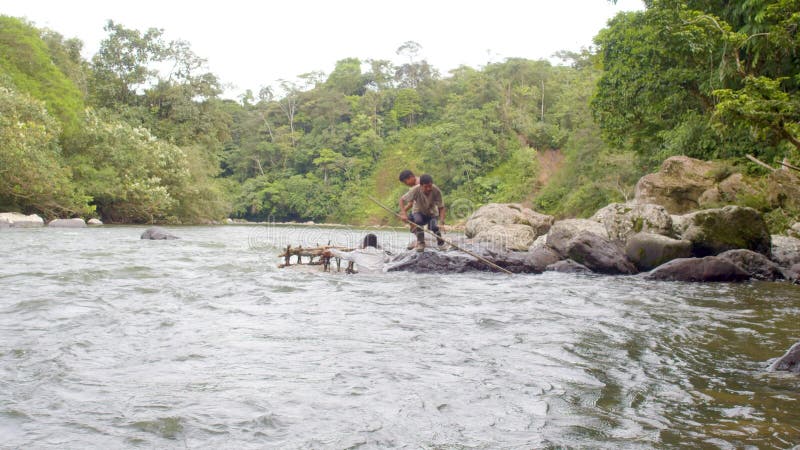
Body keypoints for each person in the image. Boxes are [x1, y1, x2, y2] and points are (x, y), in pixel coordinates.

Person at [399, 174, 446, 252]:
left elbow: (441, 207)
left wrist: (441, 221)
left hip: (431, 213)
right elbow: (402, 200)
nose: (429, 188)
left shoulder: (436, 190)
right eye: (426, 187)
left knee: (434, 227)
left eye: (430, 186)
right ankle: (421, 242)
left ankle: (440, 242)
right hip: (418, 211)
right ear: (421, 186)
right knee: (418, 221)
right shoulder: (415, 189)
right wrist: (403, 214)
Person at [322, 233, 390, 274]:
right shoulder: (382, 253)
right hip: (379, 278)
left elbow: (341, 254)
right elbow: (387, 260)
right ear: (376, 244)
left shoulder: (357, 253)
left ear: (364, 244)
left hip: (361, 278)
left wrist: (330, 250)